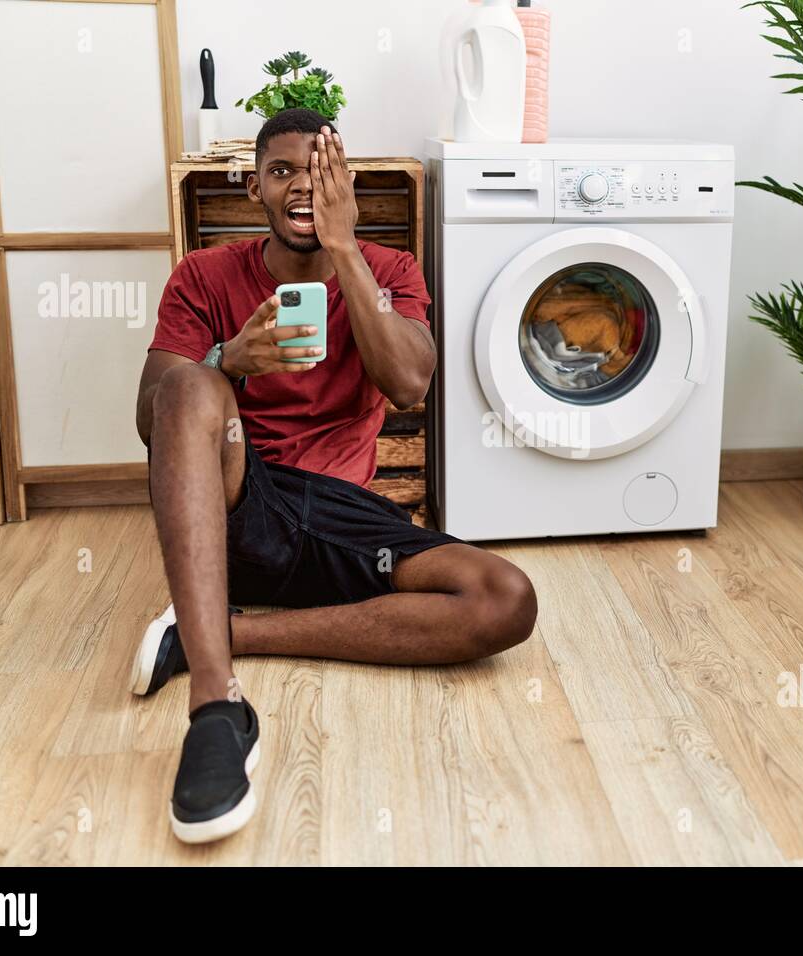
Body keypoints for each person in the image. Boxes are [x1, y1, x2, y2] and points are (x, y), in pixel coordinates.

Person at [133, 108, 537, 844]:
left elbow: (410, 383)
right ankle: (217, 706)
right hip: (245, 509)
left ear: (345, 186)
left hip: (344, 517)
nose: (301, 188)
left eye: (321, 173)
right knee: (191, 387)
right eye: (282, 171)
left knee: (505, 598)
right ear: (253, 187)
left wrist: (345, 250)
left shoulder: (389, 272)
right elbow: (149, 416)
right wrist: (229, 363)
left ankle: (214, 636)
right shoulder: (203, 276)